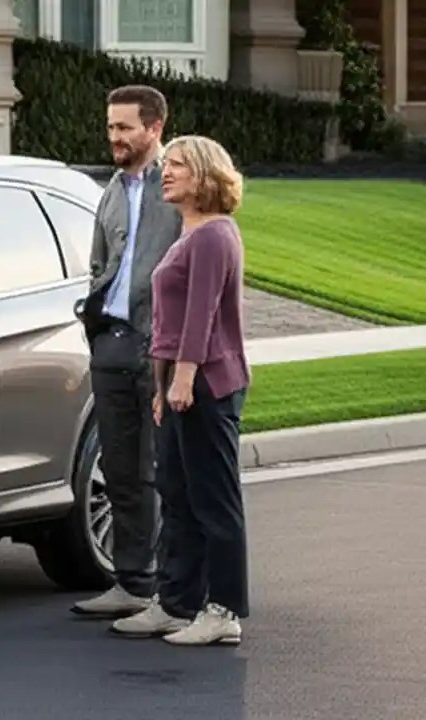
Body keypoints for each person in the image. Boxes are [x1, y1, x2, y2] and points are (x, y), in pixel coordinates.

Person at [110, 134, 251, 646]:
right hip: (179, 387)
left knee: (213, 501)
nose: (166, 172)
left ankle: (223, 610)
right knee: (177, 493)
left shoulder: (214, 235)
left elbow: (201, 314)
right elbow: (167, 323)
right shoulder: (189, 233)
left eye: (179, 166)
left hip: (208, 384)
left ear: (207, 176)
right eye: (166, 165)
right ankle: (176, 602)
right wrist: (161, 384)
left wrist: (185, 377)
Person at [71, 85, 182, 618]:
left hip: (159, 345)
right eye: (110, 126)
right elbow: (100, 262)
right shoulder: (112, 188)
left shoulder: (180, 184)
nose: (113, 137)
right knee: (120, 472)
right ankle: (133, 582)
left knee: (168, 472)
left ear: (154, 128)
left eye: (124, 128)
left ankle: (175, 590)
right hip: (111, 344)